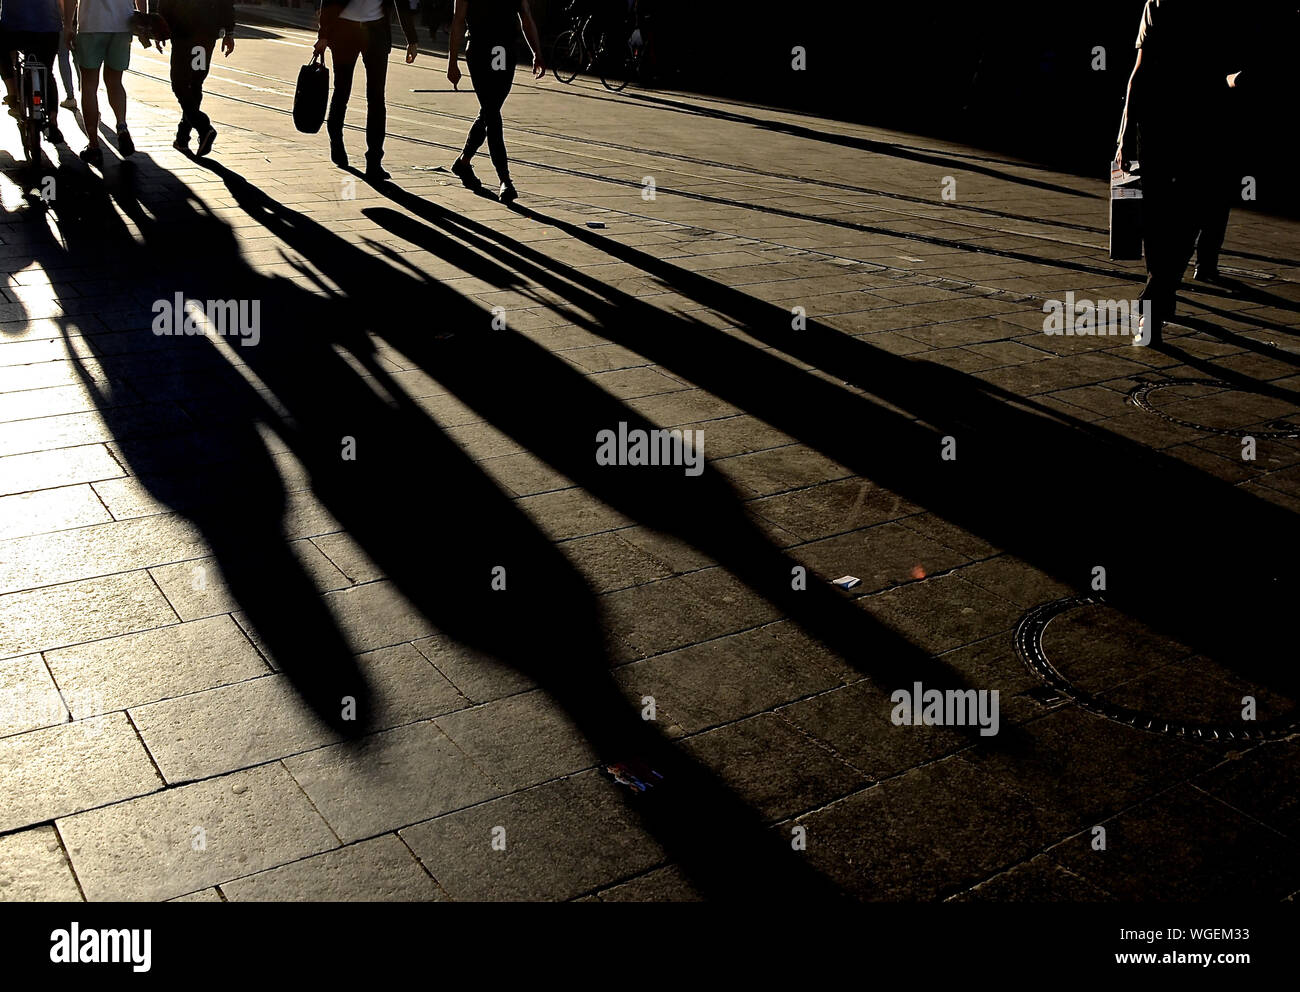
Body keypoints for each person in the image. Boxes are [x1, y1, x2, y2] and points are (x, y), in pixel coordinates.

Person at [1115, 0, 1242, 346]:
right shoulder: (1158, 5)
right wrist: (1125, 135)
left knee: (1182, 220)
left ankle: (1156, 301)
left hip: (1199, 128)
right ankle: (1157, 303)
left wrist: (1231, 80)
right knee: (1166, 223)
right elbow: (1139, 72)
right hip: (1165, 129)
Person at [446, 0, 545, 203]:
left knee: (489, 110)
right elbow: (458, 20)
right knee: (491, 112)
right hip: (480, 50)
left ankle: (463, 162)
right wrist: (452, 62)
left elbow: (526, 16)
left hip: (503, 51)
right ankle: (504, 179)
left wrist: (537, 52)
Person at [314, 0, 419, 183]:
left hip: (376, 31)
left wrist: (411, 39)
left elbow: (400, 3)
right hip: (344, 30)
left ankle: (374, 160)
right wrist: (323, 34)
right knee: (342, 91)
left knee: (377, 98)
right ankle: (336, 140)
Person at [69, 0, 143, 167]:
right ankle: (122, 126)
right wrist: (143, 17)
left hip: (91, 24)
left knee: (89, 86)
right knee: (115, 82)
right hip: (122, 24)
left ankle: (94, 145)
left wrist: (68, 25)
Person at [159, 0, 235, 156]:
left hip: (184, 35)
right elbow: (226, 4)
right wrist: (229, 32)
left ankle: (203, 127)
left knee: (179, 84)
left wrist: (160, 29)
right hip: (206, 35)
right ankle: (182, 138)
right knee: (195, 83)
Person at [0, 0, 68, 146]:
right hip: (48, 28)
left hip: (14, 28)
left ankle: (12, 93)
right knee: (47, 71)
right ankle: (53, 120)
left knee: (2, 51)